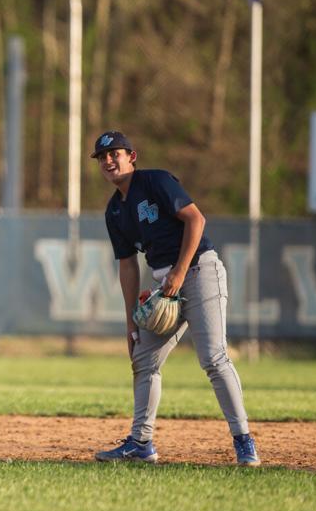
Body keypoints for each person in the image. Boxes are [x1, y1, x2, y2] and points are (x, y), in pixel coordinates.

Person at [90, 130, 259, 466]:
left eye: (115, 154)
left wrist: (179, 273)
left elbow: (196, 219)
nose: (109, 161)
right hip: (164, 286)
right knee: (143, 358)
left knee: (213, 357)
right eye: (102, 157)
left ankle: (244, 440)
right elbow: (127, 265)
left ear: (131, 157)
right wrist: (130, 321)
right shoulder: (114, 212)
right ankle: (141, 443)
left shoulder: (155, 181)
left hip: (198, 270)